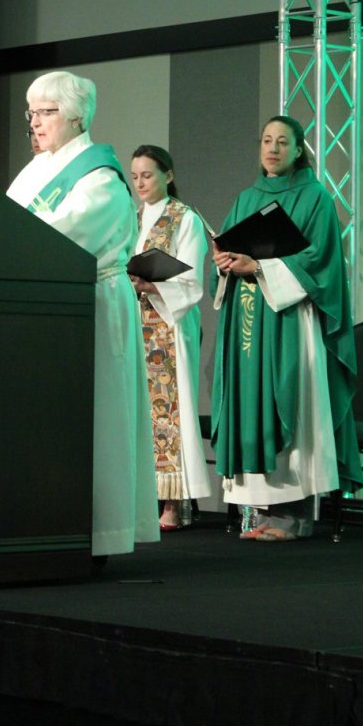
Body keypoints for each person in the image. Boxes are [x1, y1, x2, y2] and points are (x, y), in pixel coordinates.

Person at [7, 71, 159, 557]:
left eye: (46, 112)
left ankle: (98, 533)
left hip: (90, 310)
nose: (35, 122)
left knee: (97, 424)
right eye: (31, 113)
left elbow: (62, 236)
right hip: (45, 312)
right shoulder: (34, 171)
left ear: (76, 115)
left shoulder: (101, 178)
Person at [210, 116, 363, 541]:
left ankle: (293, 516)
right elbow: (228, 250)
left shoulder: (315, 198)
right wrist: (224, 264)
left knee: (291, 403)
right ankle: (260, 513)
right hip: (247, 321)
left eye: (282, 142)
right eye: (266, 140)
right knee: (249, 403)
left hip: (291, 321)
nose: (272, 148)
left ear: (299, 150)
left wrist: (259, 265)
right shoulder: (246, 198)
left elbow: (321, 262)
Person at [130, 145, 211, 530]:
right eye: (135, 176)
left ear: (168, 175)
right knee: (138, 413)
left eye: (148, 174)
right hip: (134, 324)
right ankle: (141, 497)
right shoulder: (132, 219)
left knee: (170, 413)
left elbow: (192, 280)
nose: (140, 183)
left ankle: (174, 503)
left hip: (169, 325)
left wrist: (152, 285)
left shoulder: (184, 219)